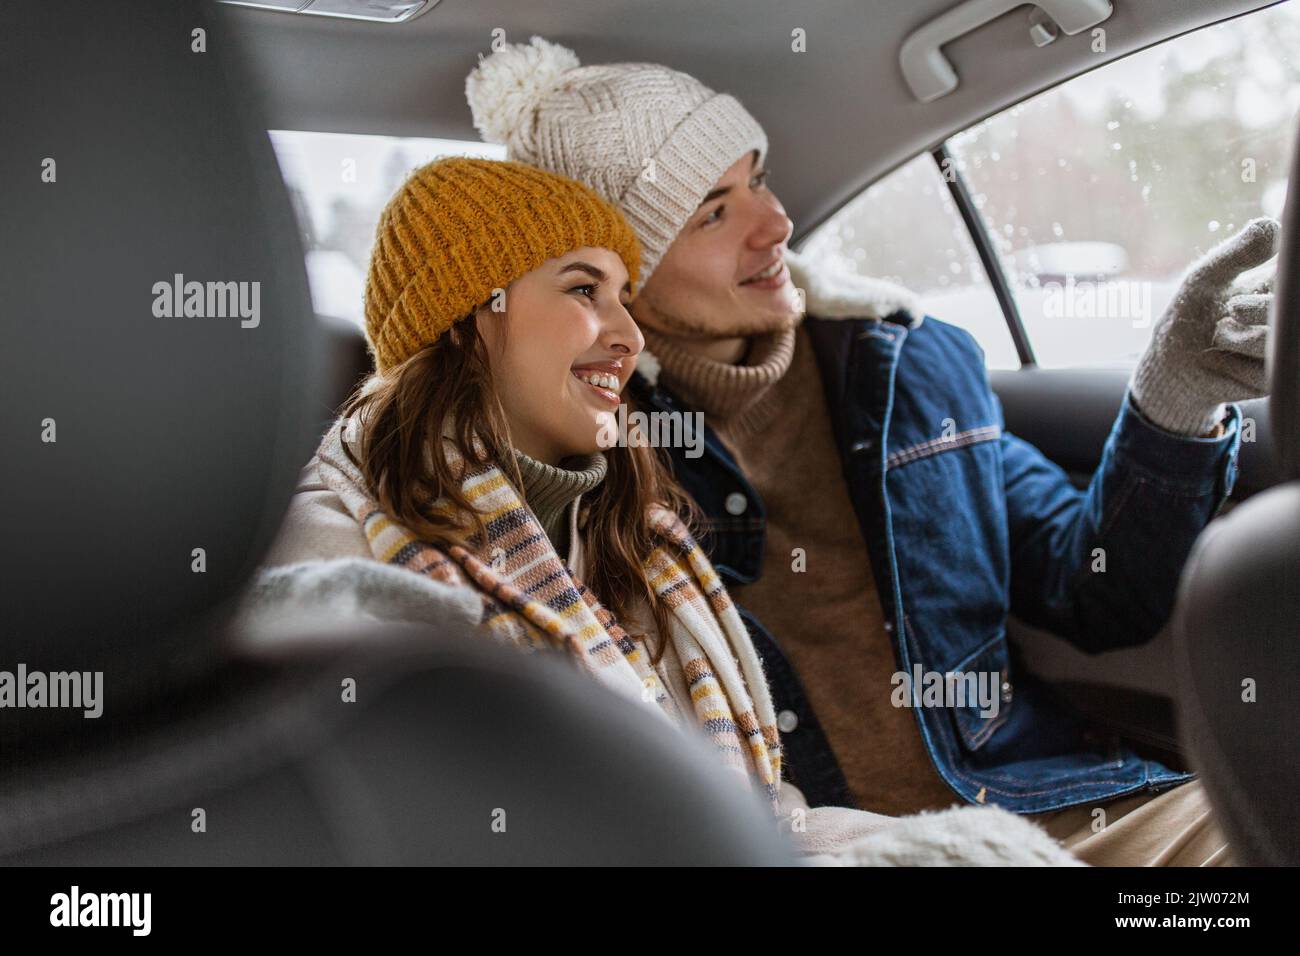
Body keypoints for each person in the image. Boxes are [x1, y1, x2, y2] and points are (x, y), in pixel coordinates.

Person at [464, 35, 1282, 866]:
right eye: (714, 211)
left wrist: (1174, 404)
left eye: (760, 181)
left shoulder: (914, 368)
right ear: (619, 271)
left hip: (1051, 811)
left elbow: (1097, 595)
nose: (775, 225)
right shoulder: (576, 455)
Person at [252, 155, 1081, 866]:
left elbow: (766, 816)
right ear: (471, 321)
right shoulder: (333, 551)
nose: (628, 334)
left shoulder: (632, 532)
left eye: (623, 294)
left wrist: (937, 850)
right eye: (584, 289)